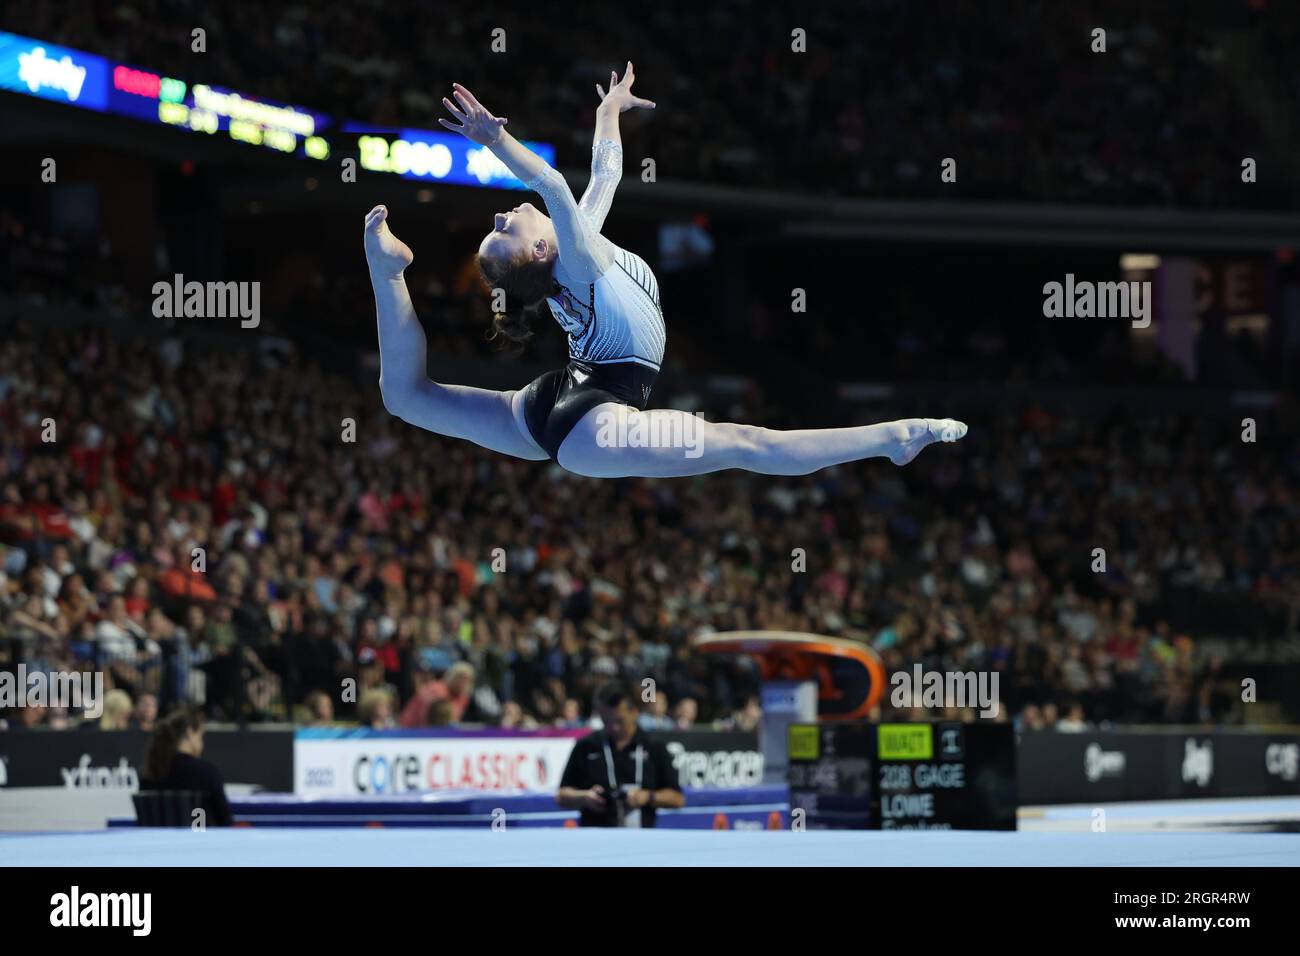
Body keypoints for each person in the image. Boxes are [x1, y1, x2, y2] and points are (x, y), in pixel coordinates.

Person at [365, 65, 967, 478]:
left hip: (550, 404)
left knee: (407, 398)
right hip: (596, 420)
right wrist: (495, 140)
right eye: (503, 230)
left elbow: (605, 177)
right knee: (748, 445)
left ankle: (388, 273)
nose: (499, 213)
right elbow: (550, 181)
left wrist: (609, 110)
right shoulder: (573, 255)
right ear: (542, 251)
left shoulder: (581, 248)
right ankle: (895, 436)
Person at [556, 682, 684, 827]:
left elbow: (678, 799)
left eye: (619, 721)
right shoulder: (586, 746)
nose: (613, 728)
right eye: (606, 721)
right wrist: (585, 797)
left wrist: (647, 797)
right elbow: (562, 796)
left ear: (634, 712)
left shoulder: (654, 747)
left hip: (642, 840)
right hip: (595, 838)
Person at [141, 706, 233, 826]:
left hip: (159, 843)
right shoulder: (207, 773)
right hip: (198, 842)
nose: (202, 743)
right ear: (190, 732)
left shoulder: (150, 773)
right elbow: (225, 821)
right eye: (201, 736)